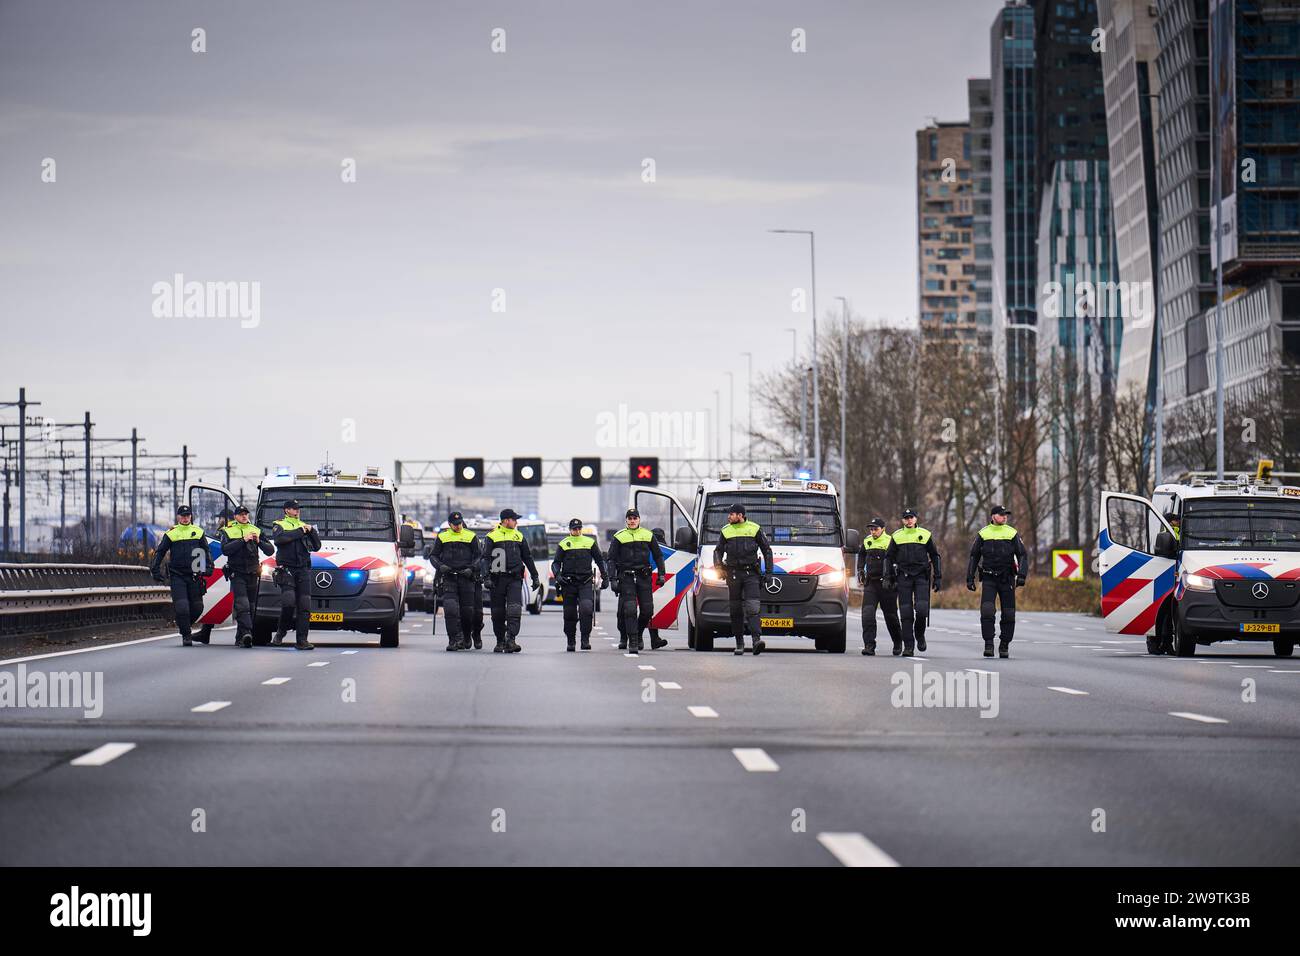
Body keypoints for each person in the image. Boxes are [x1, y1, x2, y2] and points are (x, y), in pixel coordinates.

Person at [713, 503, 776, 656]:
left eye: (732, 514)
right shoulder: (725, 531)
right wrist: (719, 567)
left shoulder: (754, 528)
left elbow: (767, 550)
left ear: (740, 515)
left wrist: (768, 573)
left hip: (751, 575)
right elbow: (718, 551)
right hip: (733, 574)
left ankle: (756, 641)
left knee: (753, 608)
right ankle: (739, 643)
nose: (729, 517)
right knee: (735, 610)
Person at [966, 505, 1028, 658]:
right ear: (993, 516)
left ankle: (1004, 645)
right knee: (987, 611)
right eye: (1001, 515)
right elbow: (974, 556)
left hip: (1007, 578)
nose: (1004, 517)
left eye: (1006, 514)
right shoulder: (983, 533)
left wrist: (1022, 575)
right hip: (989, 578)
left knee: (1008, 614)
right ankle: (988, 644)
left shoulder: (1012, 533)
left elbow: (1023, 555)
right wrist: (970, 577)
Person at [607, 508, 667, 655]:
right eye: (630, 518)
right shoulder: (619, 537)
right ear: (626, 520)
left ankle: (639, 633)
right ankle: (633, 641)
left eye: (635, 518)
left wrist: (661, 574)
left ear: (639, 520)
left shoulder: (648, 535)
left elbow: (658, 556)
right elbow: (611, 559)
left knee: (647, 611)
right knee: (630, 610)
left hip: (644, 577)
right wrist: (612, 579)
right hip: (626, 578)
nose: (632, 521)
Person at [150, 504, 212, 647]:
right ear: (179, 517)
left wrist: (209, 567)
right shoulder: (171, 533)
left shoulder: (198, 532)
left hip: (194, 576)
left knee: (197, 608)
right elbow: (160, 552)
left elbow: (206, 551)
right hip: (177, 576)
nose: (185, 518)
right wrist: (155, 570)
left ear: (191, 516)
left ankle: (183, 625)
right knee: (182, 607)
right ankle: (186, 635)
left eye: (187, 515)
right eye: (183, 516)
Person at [480, 508, 540, 653]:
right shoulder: (492, 536)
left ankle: (511, 639)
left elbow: (528, 557)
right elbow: (485, 559)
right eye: (514, 519)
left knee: (514, 609)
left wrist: (535, 576)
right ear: (506, 520)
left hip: (514, 579)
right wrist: (486, 577)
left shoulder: (519, 536)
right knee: (498, 613)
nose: (516, 522)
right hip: (497, 579)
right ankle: (500, 641)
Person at [885, 509, 941, 656]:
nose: (909, 520)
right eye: (906, 518)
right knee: (906, 613)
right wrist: (887, 576)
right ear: (903, 520)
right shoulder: (897, 536)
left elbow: (935, 556)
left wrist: (938, 577)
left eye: (911, 517)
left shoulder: (925, 534)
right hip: (903, 576)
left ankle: (920, 634)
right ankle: (908, 646)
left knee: (922, 610)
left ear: (916, 519)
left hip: (921, 576)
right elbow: (888, 557)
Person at [219, 504, 274, 648]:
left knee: (251, 606)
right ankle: (248, 632)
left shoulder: (256, 530)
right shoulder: (228, 531)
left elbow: (270, 550)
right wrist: (242, 540)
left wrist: (258, 541)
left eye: (246, 514)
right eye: (241, 514)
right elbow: (225, 550)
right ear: (236, 516)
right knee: (242, 605)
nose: (244, 516)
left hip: (253, 573)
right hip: (237, 573)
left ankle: (241, 637)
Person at [552, 518, 609, 652]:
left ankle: (585, 639)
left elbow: (600, 560)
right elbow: (556, 563)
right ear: (570, 530)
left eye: (579, 529)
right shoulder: (564, 544)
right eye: (574, 529)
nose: (577, 531)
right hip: (569, 583)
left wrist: (605, 577)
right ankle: (571, 641)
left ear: (581, 529)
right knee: (570, 614)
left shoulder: (589, 543)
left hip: (585, 582)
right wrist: (558, 576)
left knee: (586, 609)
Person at [271, 499, 321, 650]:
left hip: (303, 569)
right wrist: (301, 531)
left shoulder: (304, 525)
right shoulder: (279, 524)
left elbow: (317, 546)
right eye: (294, 508)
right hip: (287, 569)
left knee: (305, 605)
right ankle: (281, 631)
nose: (297, 510)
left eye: (298, 508)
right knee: (289, 601)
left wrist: (312, 532)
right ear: (286, 510)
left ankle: (302, 640)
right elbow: (280, 539)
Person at [430, 511, 482, 651]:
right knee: (451, 610)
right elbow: (433, 556)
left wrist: (472, 568)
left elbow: (479, 557)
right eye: (455, 524)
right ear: (449, 524)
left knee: (467, 613)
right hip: (449, 578)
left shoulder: (471, 536)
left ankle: (466, 636)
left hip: (466, 579)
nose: (458, 526)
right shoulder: (442, 537)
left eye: (460, 523)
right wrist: (441, 566)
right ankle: (453, 640)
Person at [856, 516, 903, 656]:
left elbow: (897, 560)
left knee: (891, 616)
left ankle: (898, 642)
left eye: (875, 529)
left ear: (883, 529)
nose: (873, 531)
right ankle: (869, 645)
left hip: (887, 584)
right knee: (867, 615)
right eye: (871, 529)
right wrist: (860, 570)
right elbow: (861, 556)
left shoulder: (890, 541)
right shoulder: (867, 541)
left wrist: (894, 579)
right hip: (871, 584)